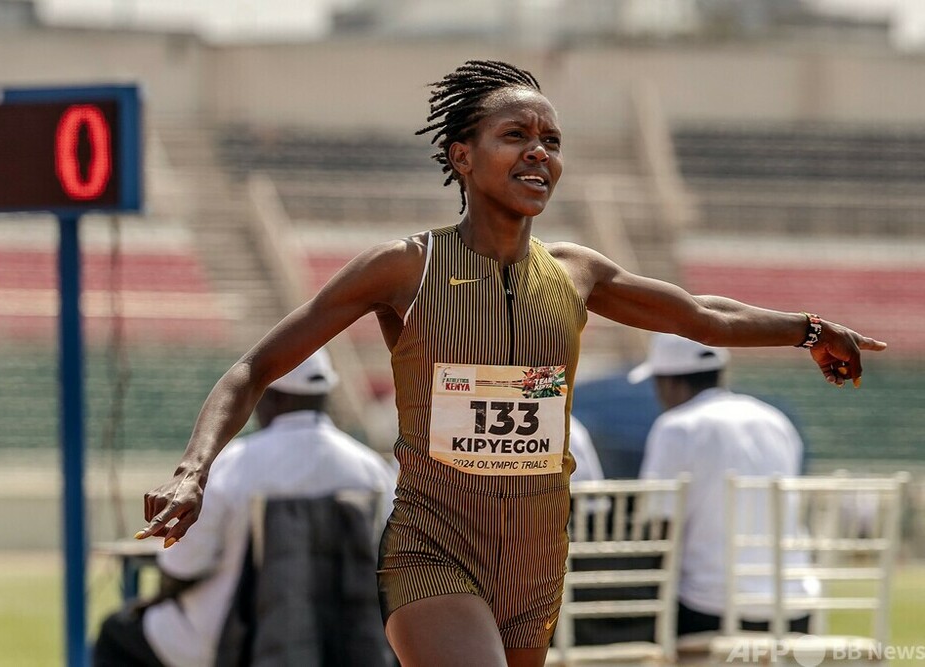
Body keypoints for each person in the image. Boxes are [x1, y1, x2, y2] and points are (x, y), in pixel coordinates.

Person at [136, 60, 885, 667]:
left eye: (552, 139)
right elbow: (254, 367)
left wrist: (810, 328)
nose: (540, 151)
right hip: (433, 548)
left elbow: (700, 316)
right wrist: (194, 469)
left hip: (533, 559)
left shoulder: (576, 273)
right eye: (516, 134)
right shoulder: (404, 268)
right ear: (462, 155)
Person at [95, 348, 397, 667]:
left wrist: (157, 596)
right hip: (343, 642)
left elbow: (182, 567)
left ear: (272, 397)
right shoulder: (372, 470)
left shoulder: (235, 464)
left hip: (234, 640)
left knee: (116, 633)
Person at [633, 333, 819, 636]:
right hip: (795, 605)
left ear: (669, 382)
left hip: (710, 609)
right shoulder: (776, 421)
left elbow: (657, 530)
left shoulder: (676, 427)